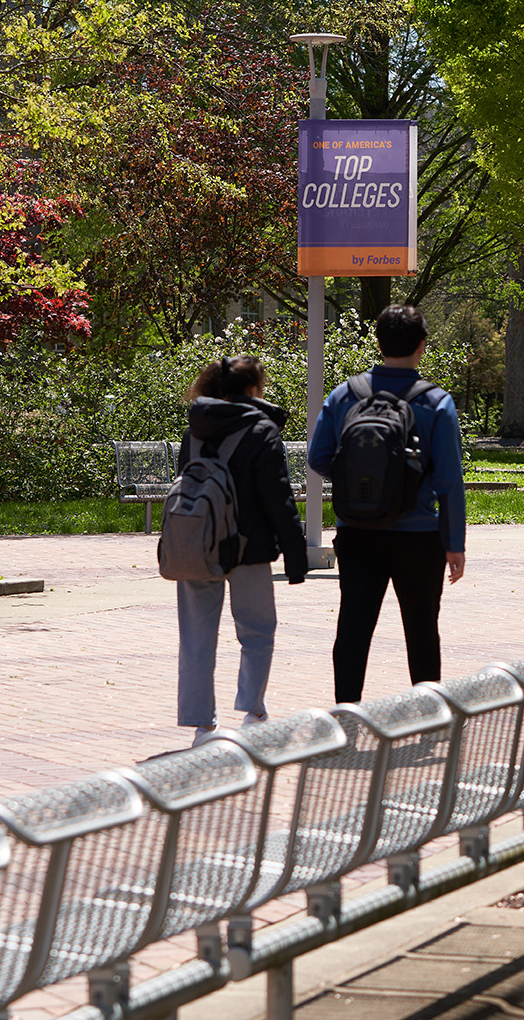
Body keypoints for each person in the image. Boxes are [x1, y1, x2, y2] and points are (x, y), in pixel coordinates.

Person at [307, 305, 466, 703]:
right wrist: (454, 544)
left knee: (353, 629)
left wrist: (362, 485)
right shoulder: (436, 402)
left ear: (377, 343)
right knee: (422, 629)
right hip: (418, 536)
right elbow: (449, 481)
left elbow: (318, 457)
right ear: (422, 346)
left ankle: (345, 712)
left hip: (358, 533)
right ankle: (428, 712)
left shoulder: (346, 394)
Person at [175, 355, 308, 743]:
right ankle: (253, 712)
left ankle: (202, 725)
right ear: (253, 389)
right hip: (249, 547)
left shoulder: (195, 428)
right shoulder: (261, 429)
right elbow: (277, 495)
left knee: (197, 635)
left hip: (199, 544)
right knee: (256, 630)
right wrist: (295, 552)